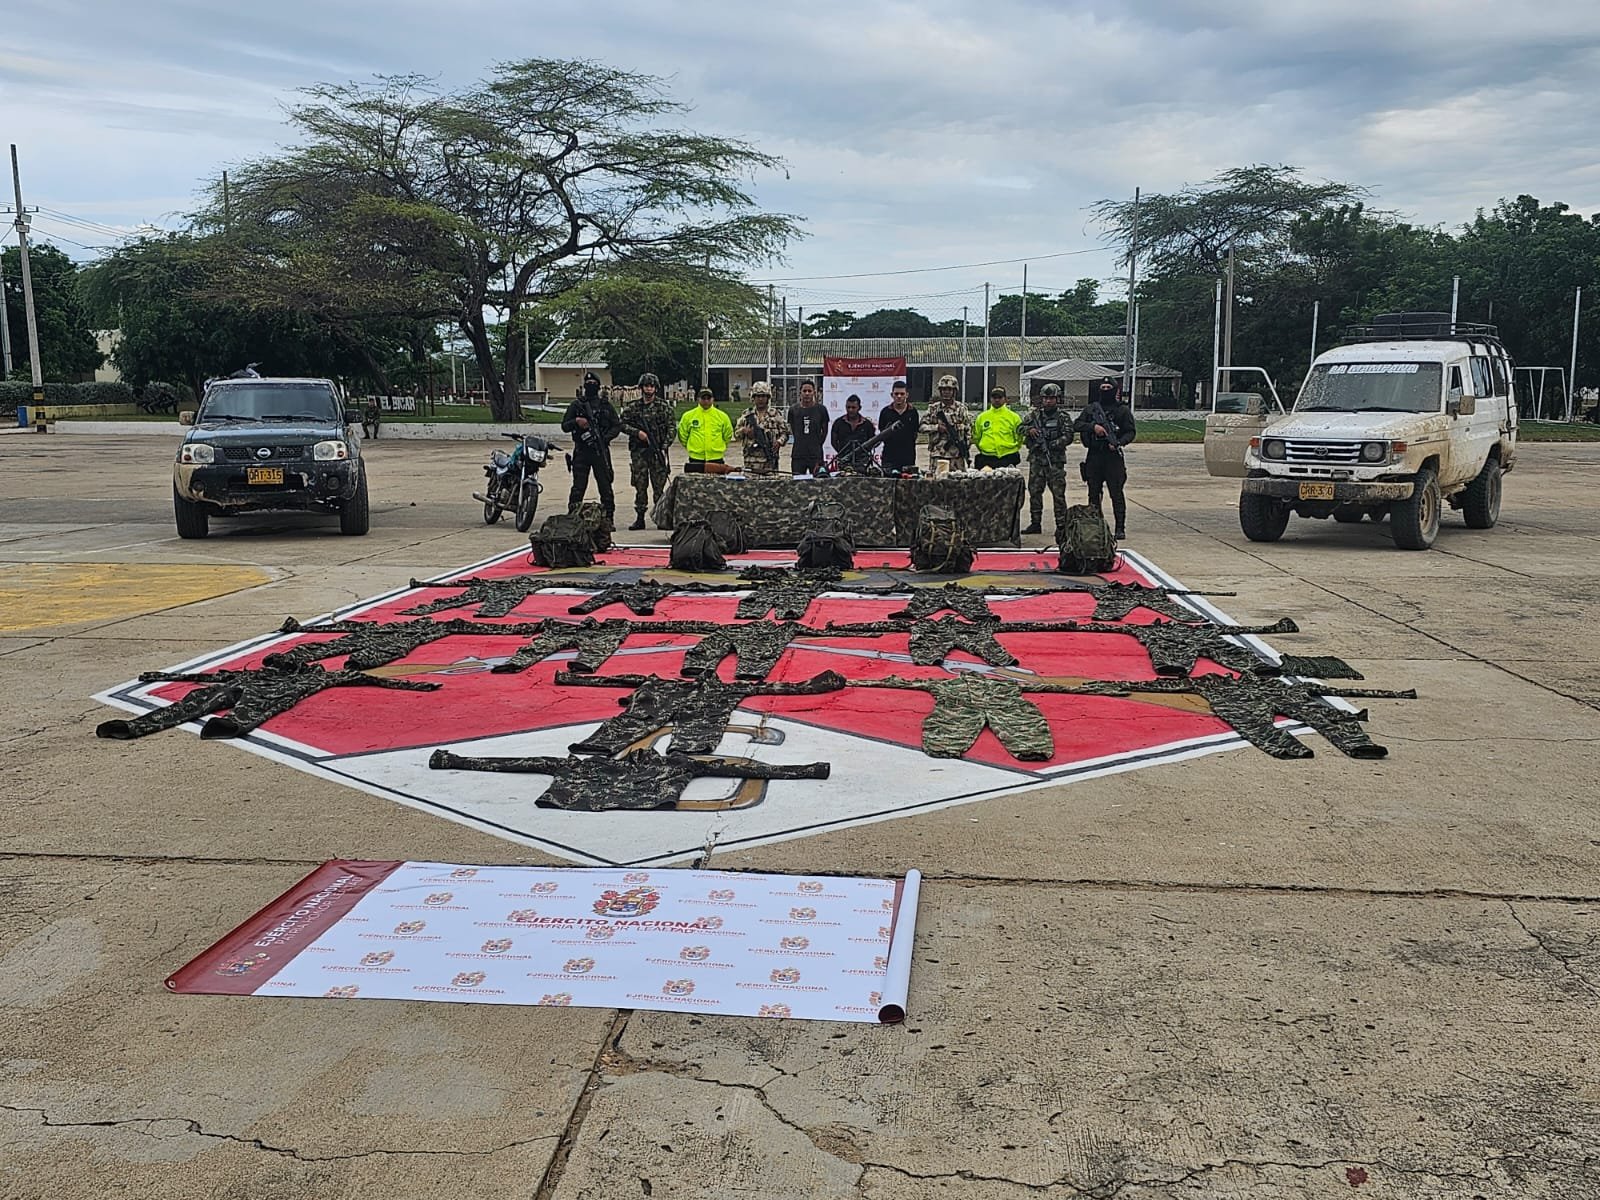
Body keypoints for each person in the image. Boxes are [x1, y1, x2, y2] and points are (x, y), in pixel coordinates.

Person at [1074, 376, 1137, 539]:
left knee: (1116, 493)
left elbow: (1130, 432)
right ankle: (1096, 527)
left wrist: (1119, 443)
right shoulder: (1091, 409)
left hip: (1113, 458)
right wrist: (1093, 427)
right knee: (1093, 494)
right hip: (1094, 456)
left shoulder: (1122, 410)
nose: (1105, 390)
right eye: (1103, 388)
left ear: (1115, 390)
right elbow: (1077, 424)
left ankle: (1120, 528)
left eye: (1109, 388)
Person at [619, 372, 674, 529]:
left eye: (651, 386)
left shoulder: (664, 407)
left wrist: (664, 446)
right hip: (639, 453)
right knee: (640, 485)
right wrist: (638, 433)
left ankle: (660, 518)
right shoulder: (633, 407)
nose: (649, 389)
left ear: (656, 388)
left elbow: (671, 428)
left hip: (657, 451)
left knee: (659, 487)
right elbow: (621, 424)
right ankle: (640, 518)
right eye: (646, 386)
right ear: (641, 387)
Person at [561, 371, 619, 520]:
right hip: (582, 451)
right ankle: (572, 517)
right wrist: (577, 421)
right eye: (588, 383)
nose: (590, 385)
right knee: (578, 487)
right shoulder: (576, 405)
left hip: (600, 451)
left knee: (605, 486)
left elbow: (616, 426)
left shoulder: (605, 406)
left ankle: (608, 517)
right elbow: (565, 426)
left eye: (593, 383)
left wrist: (604, 438)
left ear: (598, 386)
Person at [1020, 383, 1072, 535]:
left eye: (1051, 398)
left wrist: (1052, 444)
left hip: (1054, 462)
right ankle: (1035, 523)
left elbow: (1068, 436)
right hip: (1037, 461)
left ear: (1057, 399)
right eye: (1045, 398)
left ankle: (1061, 526)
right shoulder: (1034, 416)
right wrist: (1029, 430)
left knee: (1058, 495)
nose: (1048, 401)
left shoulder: (1063, 417)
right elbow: (1019, 428)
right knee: (1035, 493)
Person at [735, 381, 789, 475]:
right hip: (750, 464)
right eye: (758, 396)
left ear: (768, 397)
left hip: (769, 465)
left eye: (763, 396)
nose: (760, 399)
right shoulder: (747, 415)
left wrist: (779, 442)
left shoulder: (775, 415)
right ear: (753, 397)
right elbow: (736, 435)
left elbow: (785, 433)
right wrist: (744, 431)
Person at [677, 387, 734, 472]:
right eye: (703, 398)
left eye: (708, 398)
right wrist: (692, 447)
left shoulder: (722, 417)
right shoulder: (688, 416)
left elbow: (728, 435)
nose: (706, 401)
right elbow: (682, 435)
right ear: (698, 399)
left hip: (716, 458)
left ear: (713, 399)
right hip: (696, 459)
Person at [926, 374, 972, 468]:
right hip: (938, 454)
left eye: (949, 390)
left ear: (954, 391)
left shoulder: (961, 409)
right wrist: (936, 428)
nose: (946, 392)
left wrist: (965, 446)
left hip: (957, 456)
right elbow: (922, 427)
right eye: (944, 389)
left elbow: (969, 431)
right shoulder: (933, 408)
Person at [972, 384, 1022, 468]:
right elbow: (976, 437)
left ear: (1005, 399)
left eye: (1000, 397)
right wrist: (985, 448)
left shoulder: (1014, 417)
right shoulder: (981, 417)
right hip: (987, 458)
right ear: (990, 399)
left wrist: (1013, 448)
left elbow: (1020, 437)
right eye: (994, 397)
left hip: (1008, 457)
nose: (997, 400)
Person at [877, 379, 921, 474]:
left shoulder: (913, 412)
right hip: (889, 457)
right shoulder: (885, 412)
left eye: (902, 394)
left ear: (907, 395)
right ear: (892, 395)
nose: (899, 396)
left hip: (908, 457)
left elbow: (915, 433)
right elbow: (882, 433)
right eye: (896, 394)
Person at [787, 380, 828, 475]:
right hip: (798, 455)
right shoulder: (793, 410)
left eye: (809, 391)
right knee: (797, 481)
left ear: (814, 392)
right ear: (800, 393)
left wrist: (817, 444)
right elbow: (793, 429)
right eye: (804, 391)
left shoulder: (821, 409)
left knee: (818, 480)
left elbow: (824, 431)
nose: (807, 394)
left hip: (815, 455)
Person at [830, 394, 876, 467]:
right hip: (844, 461)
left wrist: (863, 453)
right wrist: (842, 453)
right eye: (848, 407)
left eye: (853, 407)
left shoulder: (867, 424)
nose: (850, 410)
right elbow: (833, 441)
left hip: (862, 462)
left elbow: (873, 441)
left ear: (859, 408)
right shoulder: (838, 423)